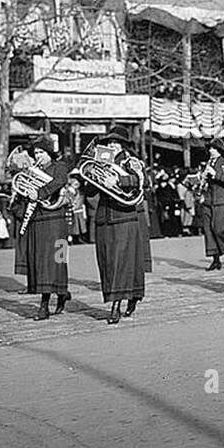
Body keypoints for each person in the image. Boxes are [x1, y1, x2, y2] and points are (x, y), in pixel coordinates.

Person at [80, 128, 148, 324]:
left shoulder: (130, 162)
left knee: (121, 262)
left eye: (115, 143)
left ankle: (116, 305)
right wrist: (93, 176)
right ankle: (129, 295)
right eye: (109, 143)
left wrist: (118, 179)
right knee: (107, 262)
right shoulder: (101, 162)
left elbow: (142, 181)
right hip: (104, 218)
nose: (111, 146)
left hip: (124, 217)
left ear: (123, 145)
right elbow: (90, 192)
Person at [13, 136, 74, 320]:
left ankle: (57, 295)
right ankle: (49, 300)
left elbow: (59, 182)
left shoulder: (59, 167)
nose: (38, 156)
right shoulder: (33, 171)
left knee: (58, 259)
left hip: (57, 221)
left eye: (41, 152)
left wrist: (38, 193)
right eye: (36, 153)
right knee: (41, 262)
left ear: (49, 153)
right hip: (38, 219)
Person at [201, 140, 224, 271]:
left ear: (219, 150)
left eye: (213, 148)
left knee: (220, 229)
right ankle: (215, 260)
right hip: (209, 200)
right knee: (208, 230)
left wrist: (215, 174)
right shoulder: (209, 163)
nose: (211, 151)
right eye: (210, 148)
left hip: (222, 201)